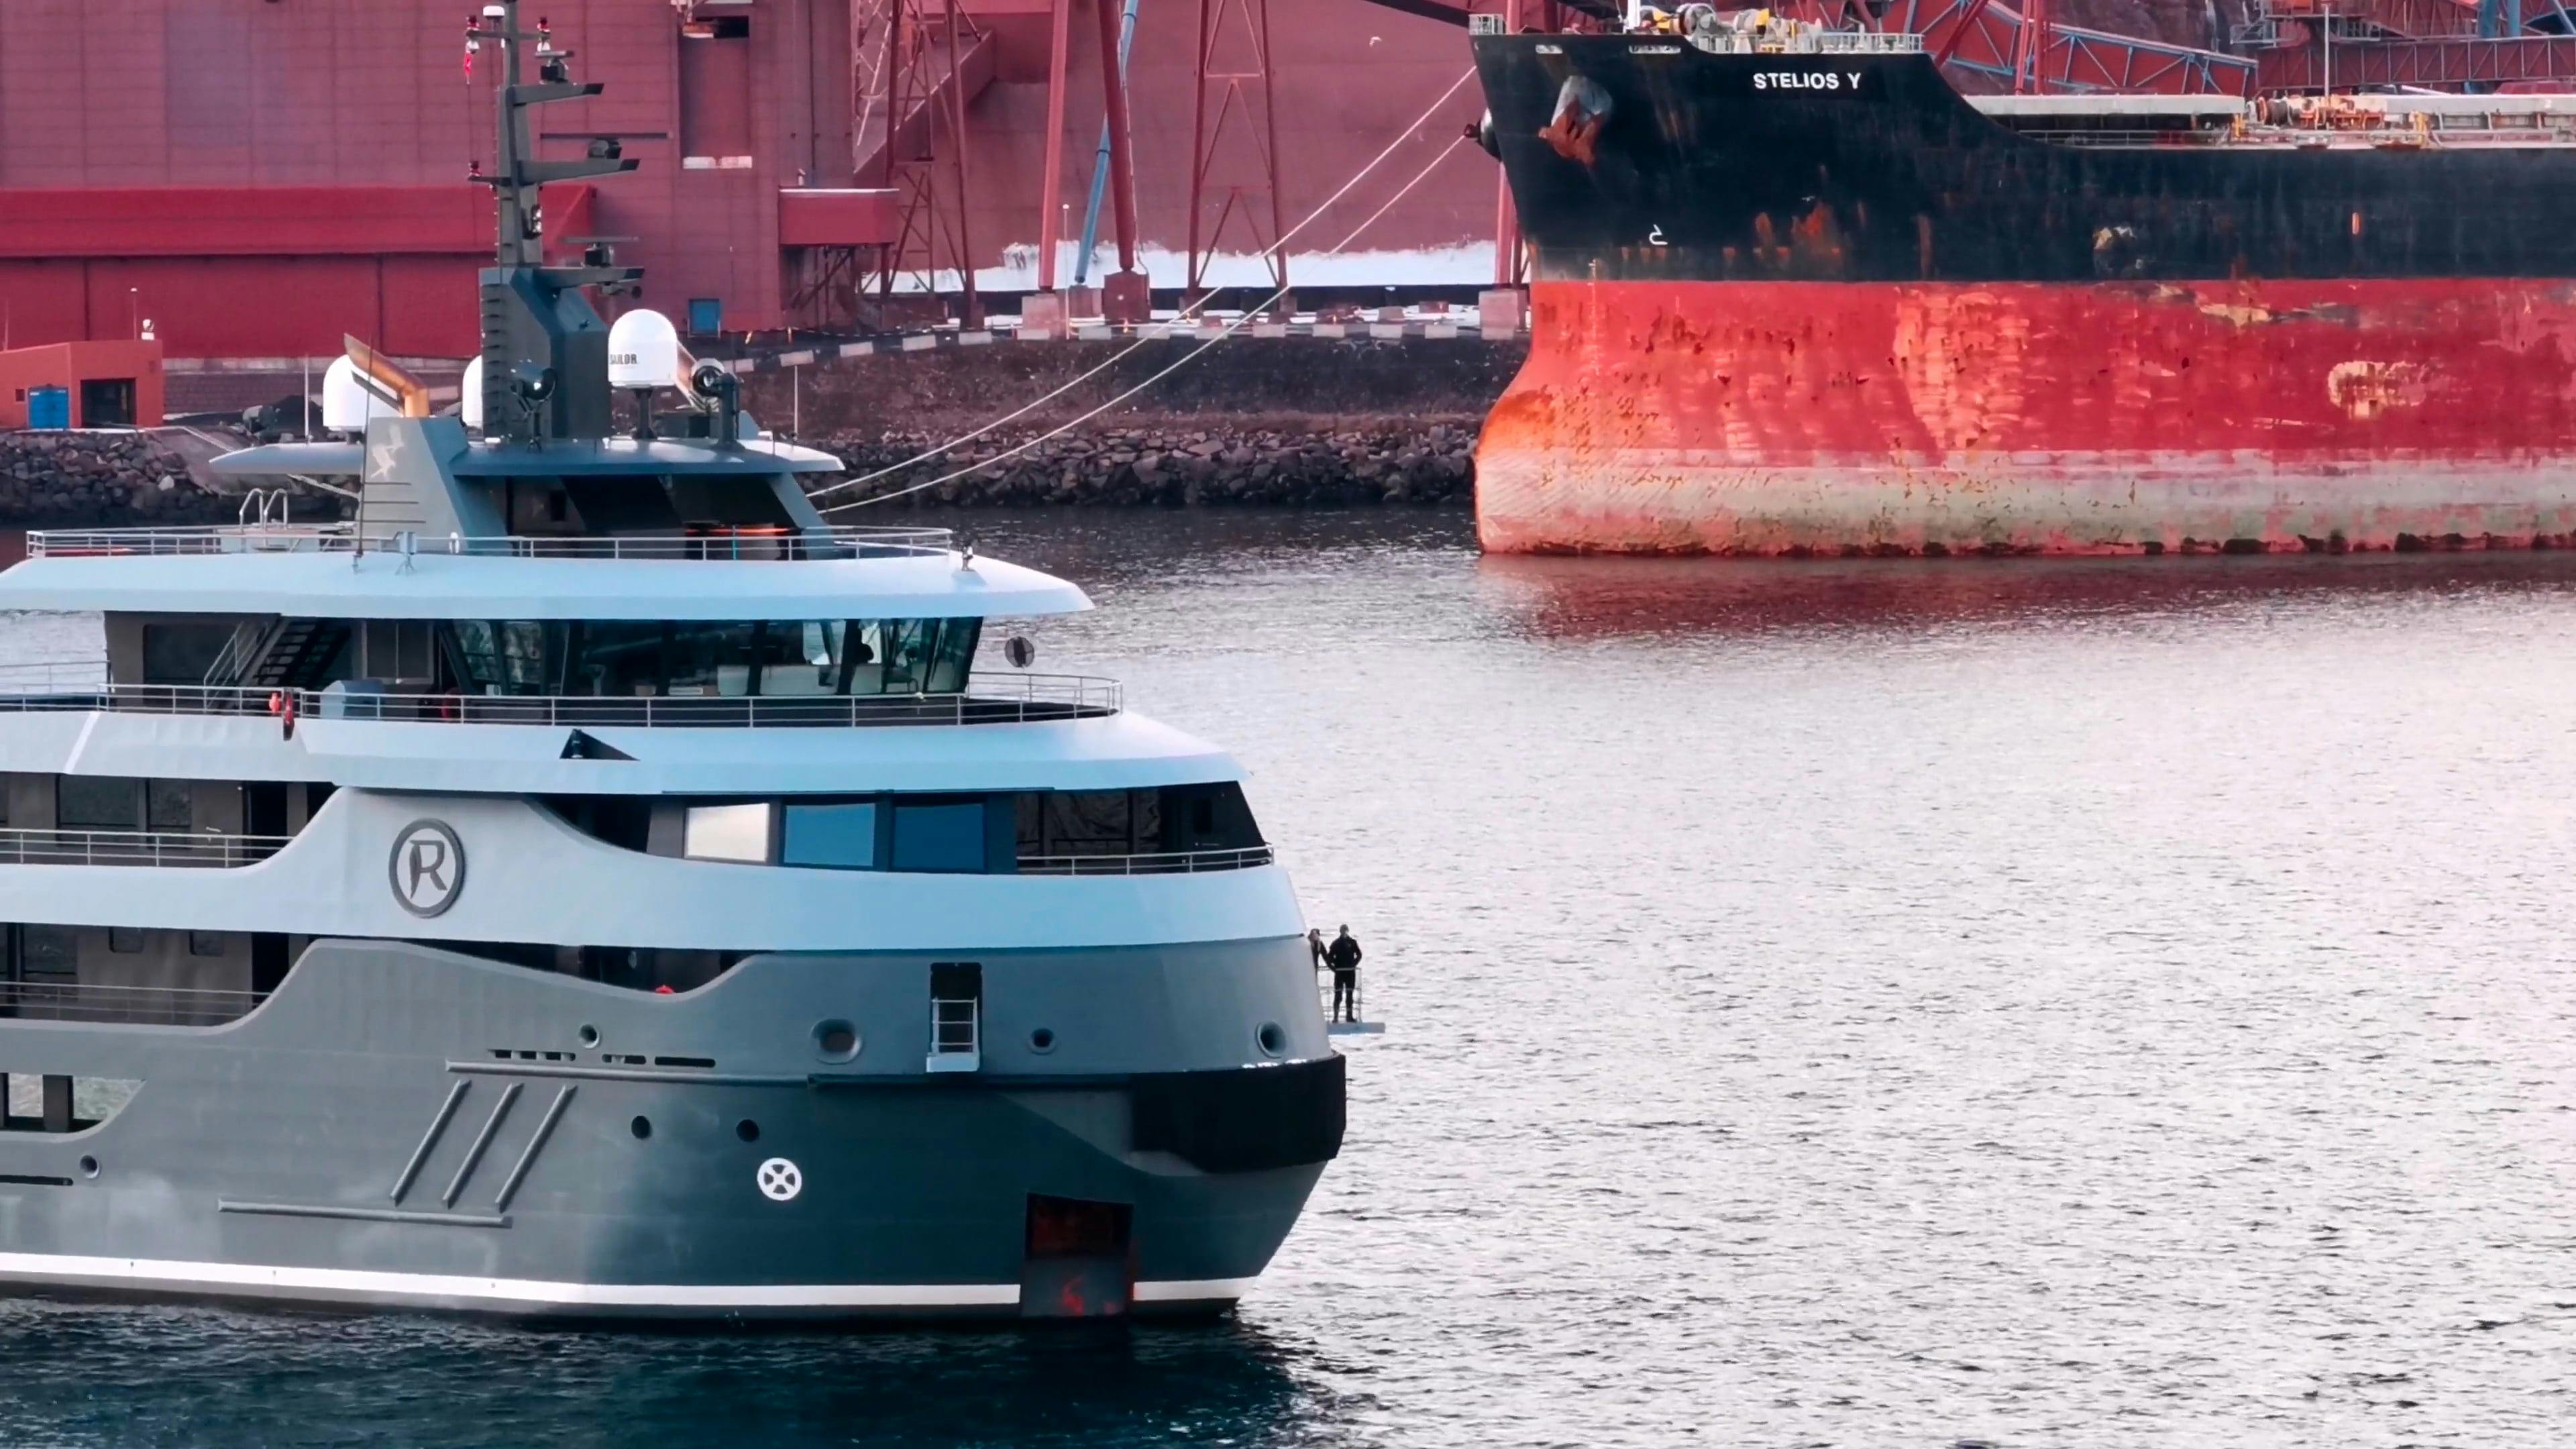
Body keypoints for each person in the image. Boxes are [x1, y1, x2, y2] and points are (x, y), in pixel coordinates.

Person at [1324, 925, 1362, 1023]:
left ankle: (1349, 1017)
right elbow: (1329, 957)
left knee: (1350, 995)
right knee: (1338, 995)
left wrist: (1353, 964)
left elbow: (1359, 954)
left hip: (1350, 972)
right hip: (1340, 973)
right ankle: (1336, 1017)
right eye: (1342, 931)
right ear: (1340, 931)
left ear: (1348, 931)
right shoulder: (1336, 943)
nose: (1344, 932)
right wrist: (1334, 967)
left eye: (1345, 930)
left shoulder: (1352, 942)